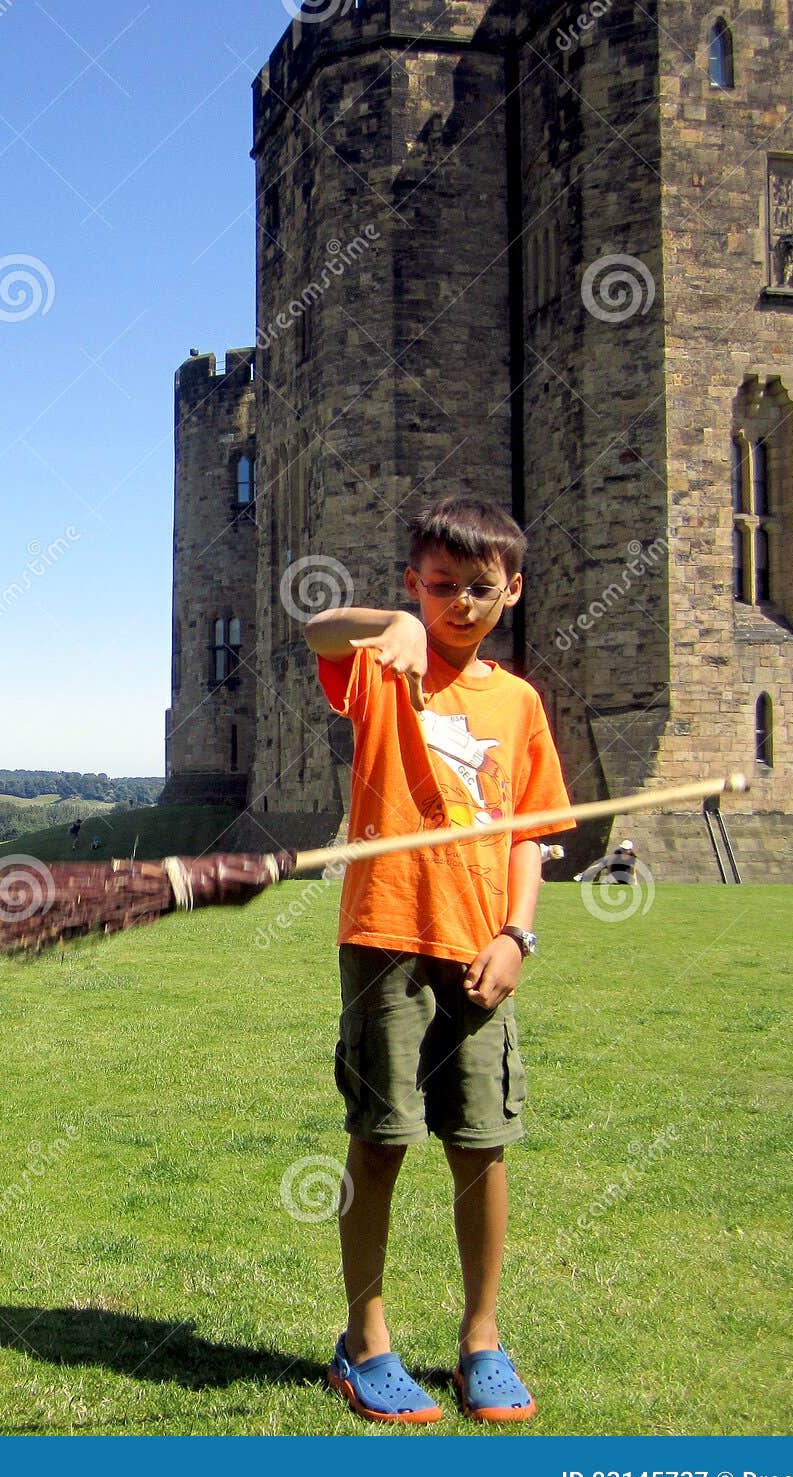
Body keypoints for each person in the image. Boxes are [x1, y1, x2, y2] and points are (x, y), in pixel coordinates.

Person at [304, 497, 575, 1426]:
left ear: (514, 591)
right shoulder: (381, 669)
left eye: (481, 588)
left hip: (481, 948)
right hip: (385, 937)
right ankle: (365, 1341)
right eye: (441, 586)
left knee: (482, 1147)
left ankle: (482, 1341)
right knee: (380, 1139)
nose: (461, 602)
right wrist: (389, 626)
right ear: (416, 584)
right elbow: (315, 626)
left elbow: (530, 836)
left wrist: (516, 937)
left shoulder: (519, 701)